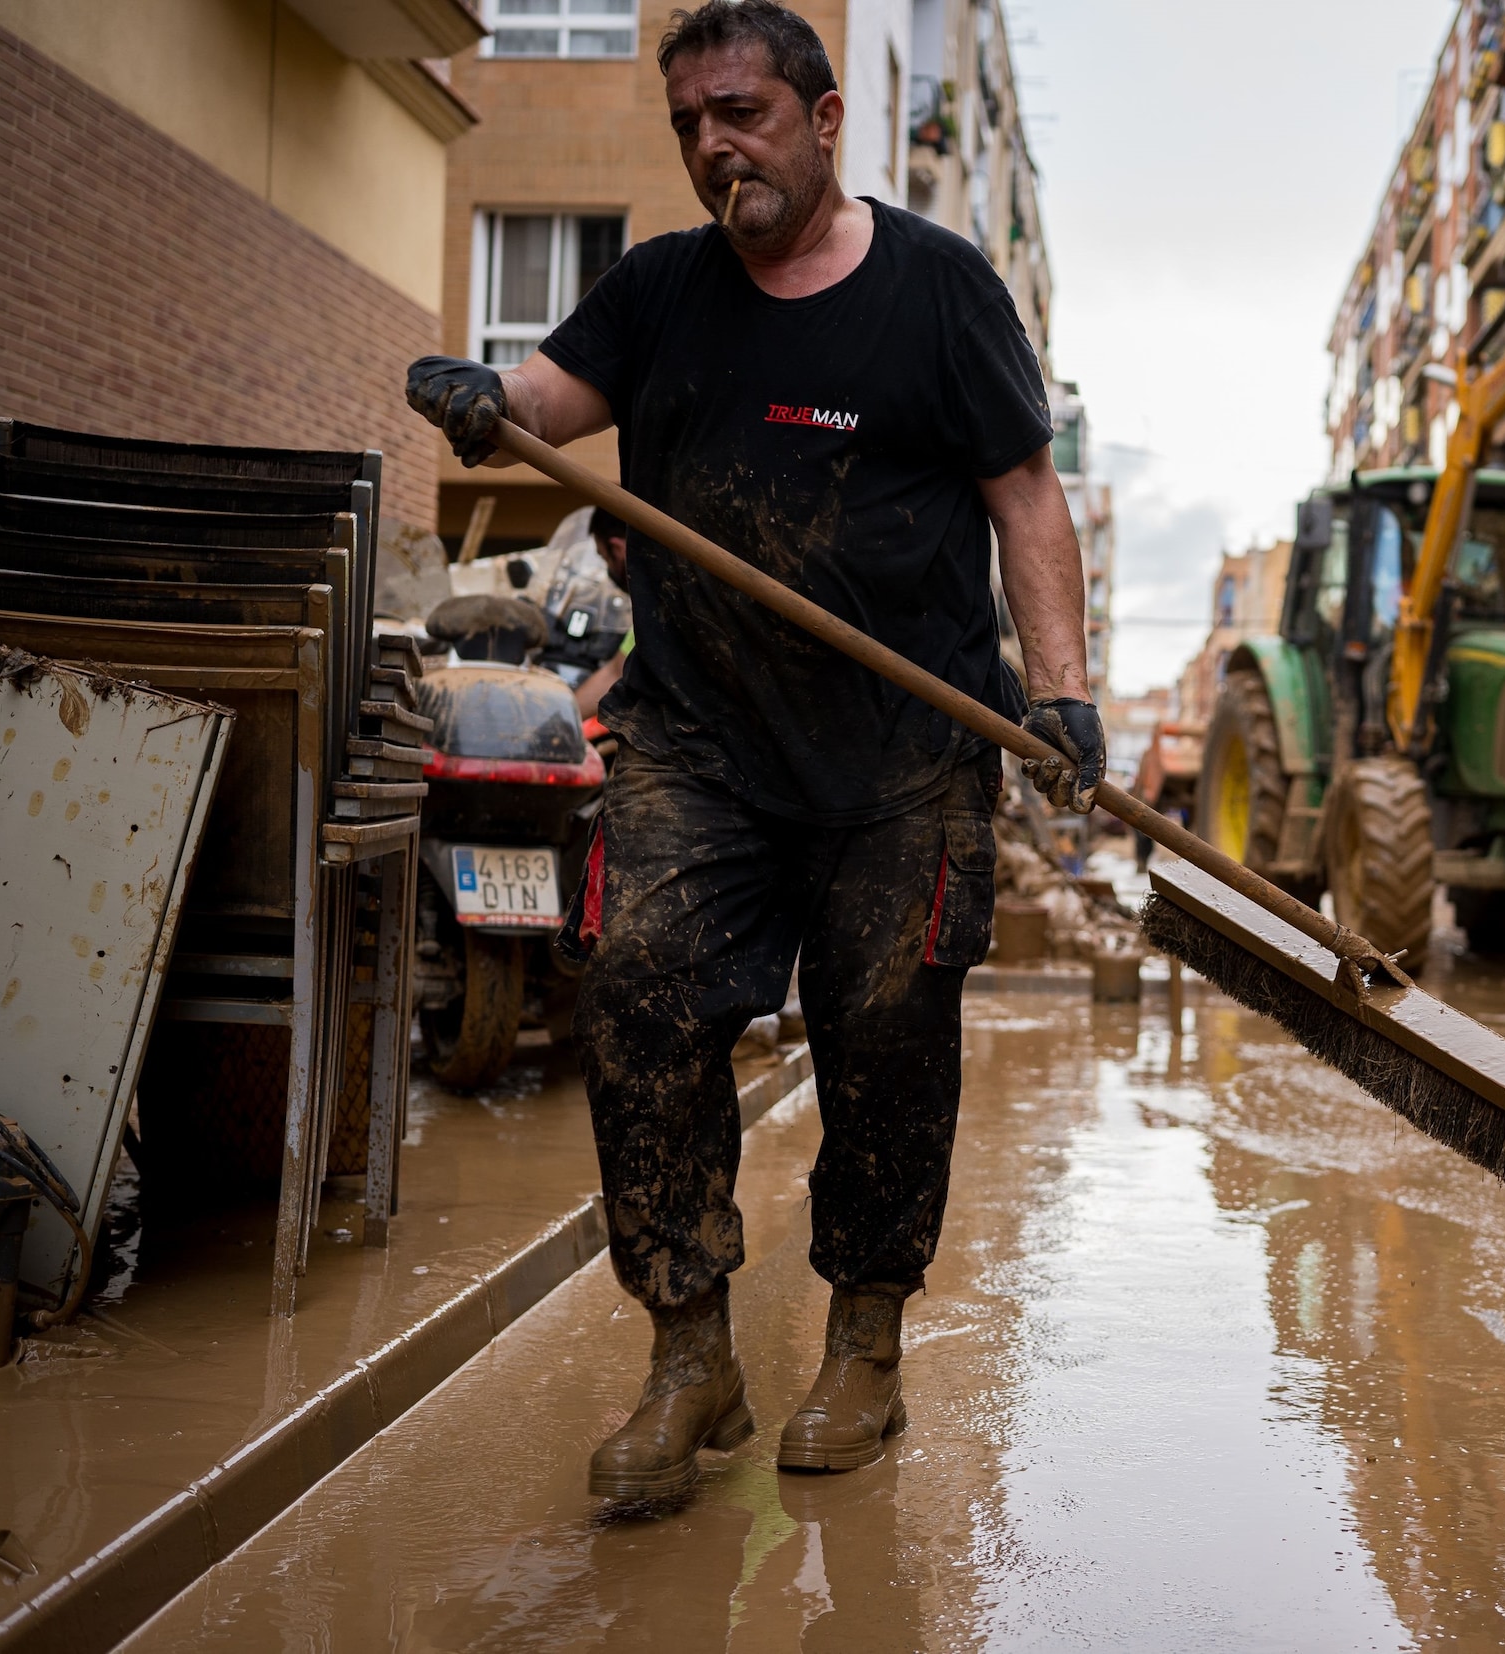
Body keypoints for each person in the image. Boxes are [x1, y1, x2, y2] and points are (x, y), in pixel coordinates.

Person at [406, 1, 1101, 1497]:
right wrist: (485, 395)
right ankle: (690, 1358)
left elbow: (1025, 498)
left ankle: (863, 1351)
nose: (716, 148)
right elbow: (549, 398)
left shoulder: (940, 290)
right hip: (700, 744)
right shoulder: (660, 290)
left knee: (888, 1050)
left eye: (743, 113)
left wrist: (1062, 692)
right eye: (690, 126)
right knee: (639, 998)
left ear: (823, 119)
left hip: (905, 758)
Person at [572, 507, 634, 718]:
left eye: (605, 557)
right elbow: (616, 671)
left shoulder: (662, 602)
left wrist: (556, 722)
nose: (609, 568)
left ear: (617, 547)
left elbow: (615, 674)